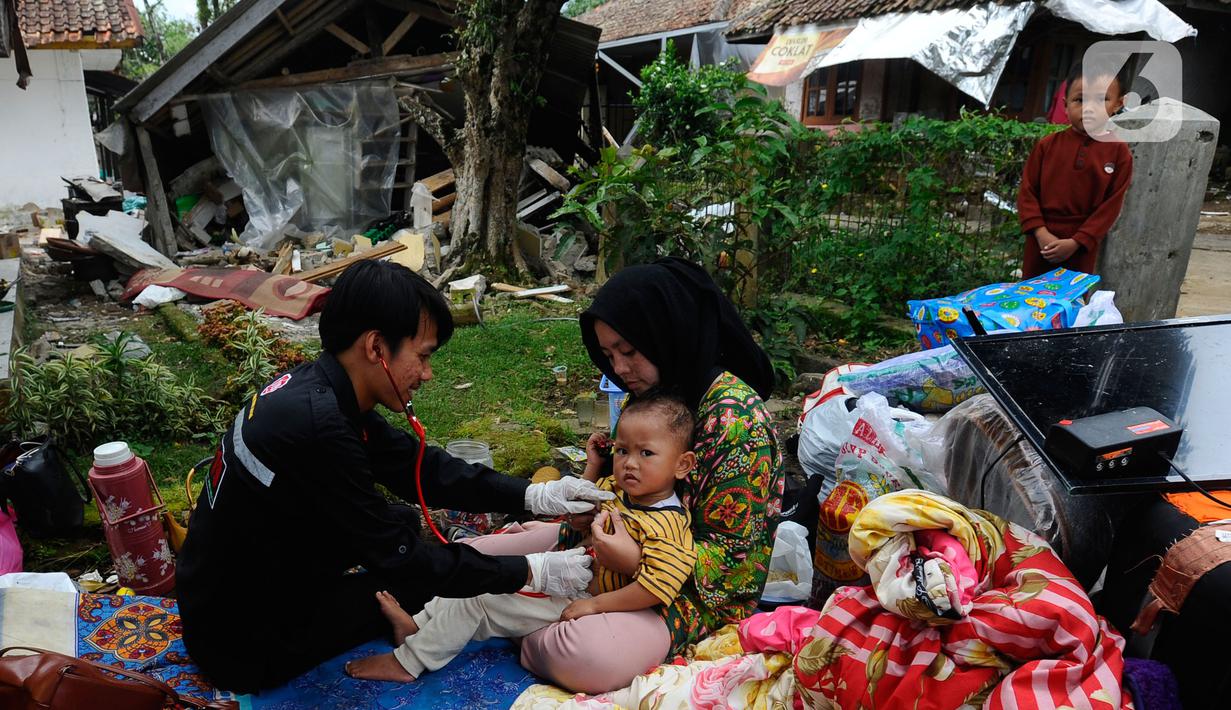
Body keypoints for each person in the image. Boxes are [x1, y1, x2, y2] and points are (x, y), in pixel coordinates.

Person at [175, 261, 612, 693]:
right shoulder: (321, 429)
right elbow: (403, 560)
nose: (427, 374)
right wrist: (531, 572)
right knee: (410, 579)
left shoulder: (316, 390)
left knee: (402, 524)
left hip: (223, 593)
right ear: (376, 348)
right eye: (421, 356)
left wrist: (536, 495)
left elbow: (420, 467)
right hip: (242, 644)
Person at [462, 257, 784, 694]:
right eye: (609, 354)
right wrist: (587, 510)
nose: (620, 368)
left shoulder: (735, 423)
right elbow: (623, 486)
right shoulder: (652, 397)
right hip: (599, 551)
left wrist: (630, 558)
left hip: (676, 594)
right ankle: (515, 609)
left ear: (668, 332)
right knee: (470, 558)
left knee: (584, 655)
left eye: (629, 351)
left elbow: (732, 567)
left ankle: (513, 614)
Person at [345, 393, 698, 682]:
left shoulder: (669, 527)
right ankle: (419, 627)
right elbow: (584, 505)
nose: (629, 464)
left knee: (479, 596)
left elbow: (655, 588)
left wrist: (593, 606)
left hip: (589, 598)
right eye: (622, 451)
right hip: (570, 578)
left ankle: (409, 662)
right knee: (477, 573)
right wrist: (590, 475)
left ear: (682, 465)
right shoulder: (621, 491)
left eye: (645, 453)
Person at [1018, 59, 1134, 278]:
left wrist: (1077, 241)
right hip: (1040, 242)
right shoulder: (1047, 146)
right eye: (1079, 100)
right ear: (1065, 104)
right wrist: (1040, 232)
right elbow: (1027, 191)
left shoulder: (1119, 153)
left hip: (1080, 246)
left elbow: (1110, 206)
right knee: (1029, 300)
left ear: (1118, 104)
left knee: (1072, 302)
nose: (1089, 108)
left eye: (1101, 100)